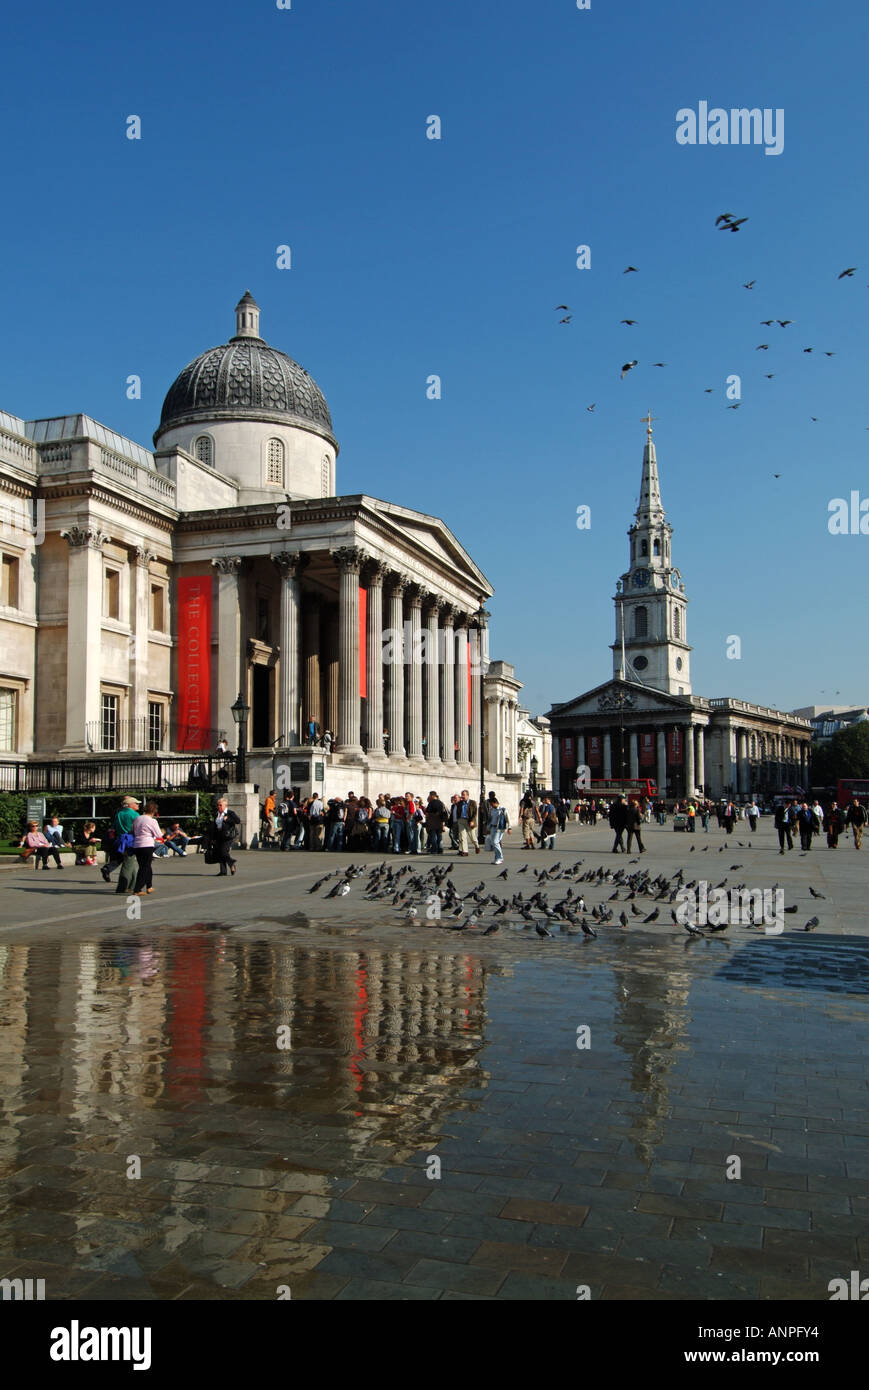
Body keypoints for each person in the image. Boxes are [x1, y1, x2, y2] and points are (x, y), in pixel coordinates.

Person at [101, 795, 141, 892]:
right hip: (130, 840)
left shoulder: (119, 814)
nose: (138, 805)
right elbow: (139, 828)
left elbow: (114, 826)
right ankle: (122, 887)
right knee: (128, 864)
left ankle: (132, 885)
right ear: (130, 805)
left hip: (120, 840)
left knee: (130, 863)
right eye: (136, 803)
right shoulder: (135, 815)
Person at [203, 797, 240, 875]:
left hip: (228, 836)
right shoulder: (216, 814)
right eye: (218, 805)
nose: (219, 807)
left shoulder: (230, 813)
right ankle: (223, 871)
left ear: (225, 806)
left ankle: (231, 863)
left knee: (223, 851)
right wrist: (212, 838)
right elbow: (214, 826)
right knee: (220, 852)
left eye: (220, 805)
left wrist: (227, 819)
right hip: (219, 835)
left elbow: (237, 821)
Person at [132, 800, 162, 894]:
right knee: (144, 868)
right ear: (154, 811)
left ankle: (149, 886)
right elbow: (158, 834)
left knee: (145, 865)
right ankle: (137, 889)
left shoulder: (137, 818)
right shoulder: (152, 821)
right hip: (147, 844)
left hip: (137, 844)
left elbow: (132, 830)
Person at [484, 791, 510, 865]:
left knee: (495, 842)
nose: (491, 806)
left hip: (500, 828)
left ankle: (500, 858)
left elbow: (508, 818)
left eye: (492, 804)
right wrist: (488, 828)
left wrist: (509, 828)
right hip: (493, 827)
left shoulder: (502, 810)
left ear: (495, 802)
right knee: (493, 843)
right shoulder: (492, 810)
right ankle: (496, 858)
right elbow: (490, 819)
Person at [450, 790, 477, 856]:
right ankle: (465, 851)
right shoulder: (459, 803)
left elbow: (475, 813)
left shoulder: (472, 802)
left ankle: (477, 845)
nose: (462, 796)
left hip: (469, 820)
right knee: (462, 836)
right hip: (461, 820)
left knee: (472, 837)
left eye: (464, 795)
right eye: (462, 794)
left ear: (467, 795)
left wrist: (472, 821)